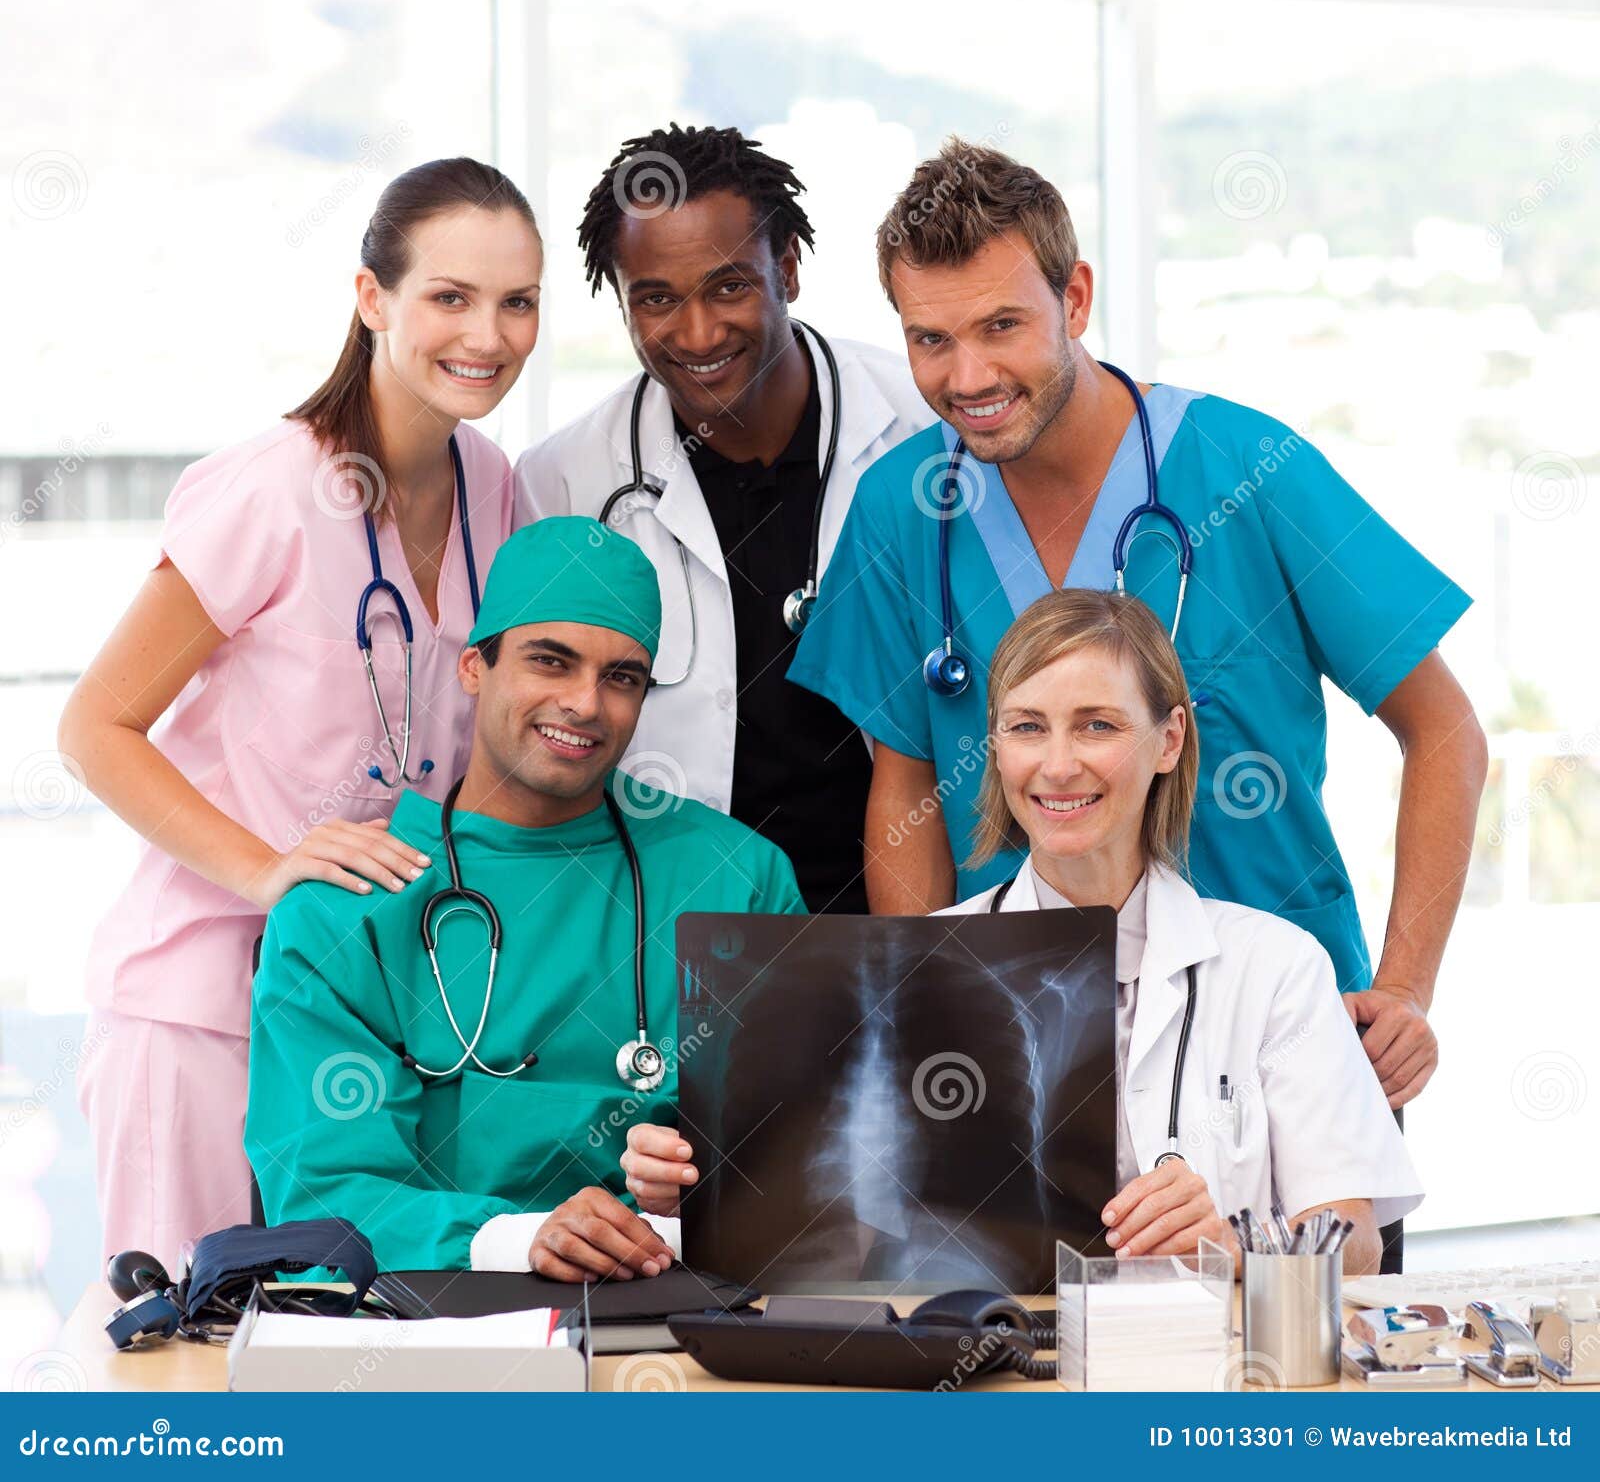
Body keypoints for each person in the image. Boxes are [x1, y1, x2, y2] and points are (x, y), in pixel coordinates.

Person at [789, 138, 1487, 1116]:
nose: (968, 375)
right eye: (930, 339)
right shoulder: (902, 511)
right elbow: (904, 787)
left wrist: (1406, 988)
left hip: (1284, 1035)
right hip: (1027, 1052)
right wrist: (931, 1007)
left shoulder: (1248, 469)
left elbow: (1444, 728)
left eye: (1001, 325)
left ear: (1074, 300)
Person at [628, 589, 1423, 1277]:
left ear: (1169, 740)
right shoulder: (917, 968)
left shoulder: (1274, 967)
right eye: (1028, 727)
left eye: (1097, 725)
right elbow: (827, 1237)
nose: (1059, 764)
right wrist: (697, 1189)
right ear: (995, 747)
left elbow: (1354, 1239)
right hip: (989, 1378)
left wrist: (1233, 1246)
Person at [60, 158, 541, 1272]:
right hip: (204, 1012)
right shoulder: (274, 487)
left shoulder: (495, 489)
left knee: (336, 1338)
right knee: (184, 1341)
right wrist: (267, 869)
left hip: (367, 1011)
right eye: (451, 297)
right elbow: (93, 728)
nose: (488, 335)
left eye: (517, 302)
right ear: (373, 299)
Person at [246, 517, 807, 1275]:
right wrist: (517, 1239)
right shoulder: (345, 910)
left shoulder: (736, 879)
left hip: (678, 1306)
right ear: (474, 666)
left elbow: (805, 1157)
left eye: (622, 678)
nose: (585, 704)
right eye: (551, 661)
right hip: (433, 1322)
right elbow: (323, 1199)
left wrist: (696, 1192)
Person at [515, 124, 930, 915]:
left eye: (729, 287)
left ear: (788, 270)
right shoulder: (563, 482)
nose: (698, 332)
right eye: (656, 299)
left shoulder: (922, 432)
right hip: (674, 926)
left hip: (897, 913)